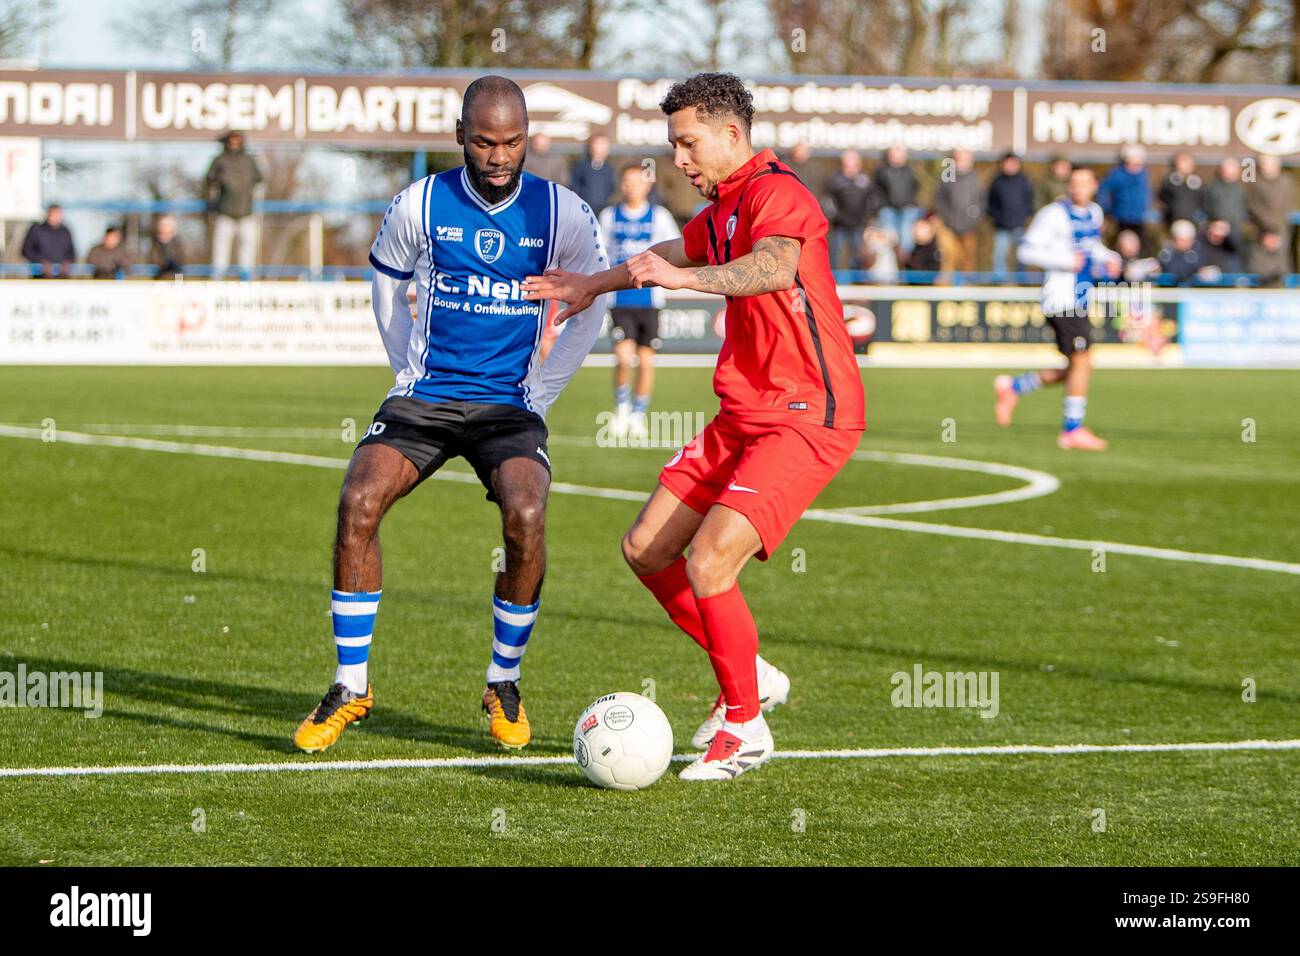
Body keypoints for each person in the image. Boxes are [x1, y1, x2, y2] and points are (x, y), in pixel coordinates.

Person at [523, 72, 865, 781]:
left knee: (710, 560)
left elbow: (773, 267)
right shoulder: (728, 204)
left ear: (731, 134)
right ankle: (752, 672)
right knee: (646, 547)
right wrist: (594, 285)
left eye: (687, 144)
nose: (678, 160)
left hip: (807, 415)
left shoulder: (780, 196)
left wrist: (683, 282)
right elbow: (677, 253)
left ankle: (745, 725)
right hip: (743, 414)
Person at [293, 75, 610, 755]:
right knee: (358, 500)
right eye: (487, 142)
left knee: (526, 514)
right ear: (460, 136)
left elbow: (591, 308)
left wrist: (543, 390)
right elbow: (386, 284)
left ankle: (503, 681)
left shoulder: (562, 213)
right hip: (427, 397)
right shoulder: (420, 203)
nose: (501, 156)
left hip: (509, 407)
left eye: (515, 142)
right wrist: (406, 369)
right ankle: (351, 686)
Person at [994, 166, 1119, 451]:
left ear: (1094, 185)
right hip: (1061, 299)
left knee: (1079, 365)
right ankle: (1071, 430)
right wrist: (1064, 260)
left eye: (1085, 182)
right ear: (1068, 186)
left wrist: (1110, 257)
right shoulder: (1052, 214)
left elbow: (1092, 247)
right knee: (1082, 362)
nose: (1079, 188)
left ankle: (1014, 388)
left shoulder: (1095, 213)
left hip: (1082, 298)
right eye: (1074, 183)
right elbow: (1026, 250)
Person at [599, 162, 681, 440]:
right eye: (627, 181)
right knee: (623, 358)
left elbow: (675, 250)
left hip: (650, 302)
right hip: (620, 300)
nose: (631, 185)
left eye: (637, 181)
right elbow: (600, 253)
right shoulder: (610, 216)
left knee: (646, 363)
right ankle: (621, 411)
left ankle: (638, 415)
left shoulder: (659, 217)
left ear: (647, 185)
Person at [206, 131, 263, 278]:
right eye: (232, 140)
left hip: (246, 213)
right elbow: (209, 179)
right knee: (220, 251)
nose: (235, 143)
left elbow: (259, 179)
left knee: (247, 252)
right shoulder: (220, 160)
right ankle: (217, 280)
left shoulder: (249, 160)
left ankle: (246, 281)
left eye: (238, 140)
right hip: (224, 212)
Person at [823, 149, 877, 273]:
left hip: (859, 224)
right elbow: (827, 201)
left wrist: (867, 217)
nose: (851, 167)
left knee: (857, 255)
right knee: (836, 253)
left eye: (854, 164)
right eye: (847, 164)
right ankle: (834, 279)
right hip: (839, 224)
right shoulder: (834, 181)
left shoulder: (865, 181)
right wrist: (835, 216)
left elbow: (872, 200)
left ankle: (857, 280)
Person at [986, 151, 1034, 283]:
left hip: (1020, 225)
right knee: (999, 255)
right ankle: (999, 281)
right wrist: (996, 218)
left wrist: (1025, 217)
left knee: (1023, 255)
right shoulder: (997, 182)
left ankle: (1022, 281)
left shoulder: (1024, 181)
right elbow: (991, 204)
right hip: (1001, 226)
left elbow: (1029, 201)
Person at [934, 148, 981, 273]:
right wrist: (946, 217)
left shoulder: (975, 177)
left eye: (967, 159)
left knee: (968, 258)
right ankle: (946, 288)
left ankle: (967, 286)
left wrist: (975, 217)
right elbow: (940, 199)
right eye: (960, 159)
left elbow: (980, 200)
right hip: (949, 225)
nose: (964, 162)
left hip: (969, 225)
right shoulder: (948, 175)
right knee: (948, 256)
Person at [1097, 145, 1151, 252]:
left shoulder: (1144, 174)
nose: (1135, 166)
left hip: (1139, 218)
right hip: (1121, 218)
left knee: (1140, 247)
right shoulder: (1117, 174)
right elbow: (1103, 191)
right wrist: (1108, 209)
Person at [875, 145, 921, 256]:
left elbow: (915, 189)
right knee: (889, 241)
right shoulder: (882, 171)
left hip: (907, 211)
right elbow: (877, 191)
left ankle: (904, 266)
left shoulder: (910, 171)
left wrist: (911, 205)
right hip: (888, 211)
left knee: (906, 242)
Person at [1245, 154, 1294, 256]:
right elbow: (1252, 204)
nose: (1265, 168)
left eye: (1267, 165)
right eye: (1263, 165)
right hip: (1261, 227)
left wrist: (1278, 222)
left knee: (1281, 257)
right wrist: (1265, 223)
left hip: (1281, 226)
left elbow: (1289, 203)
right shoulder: (1255, 182)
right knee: (1260, 258)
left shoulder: (1287, 181)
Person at [21, 204, 75, 278]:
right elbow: (26, 250)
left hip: (62, 277)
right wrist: (41, 262)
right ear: (47, 214)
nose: (55, 216)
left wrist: (67, 262)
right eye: (52, 214)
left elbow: (72, 252)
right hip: (40, 277)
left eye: (57, 214)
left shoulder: (65, 231)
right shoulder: (36, 229)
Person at [1202, 157, 1247, 246]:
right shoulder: (1213, 187)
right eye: (1227, 170)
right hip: (1216, 227)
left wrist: (1234, 223)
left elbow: (1245, 208)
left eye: (1233, 171)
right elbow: (1207, 205)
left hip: (1235, 228)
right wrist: (1216, 222)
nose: (1230, 173)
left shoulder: (1242, 188)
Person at [569, 132, 615, 212]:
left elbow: (612, 188)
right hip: (583, 210)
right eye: (598, 143)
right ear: (591, 146)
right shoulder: (581, 166)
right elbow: (573, 186)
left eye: (603, 144)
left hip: (604, 211)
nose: (600, 147)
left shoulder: (610, 168)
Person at [1157, 153, 1204, 229]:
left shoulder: (1198, 182)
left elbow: (1201, 200)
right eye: (1182, 162)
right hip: (1171, 222)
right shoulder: (1168, 181)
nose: (1185, 166)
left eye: (1188, 163)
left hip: (1192, 222)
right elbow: (1162, 199)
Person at [1156, 219, 1203, 286]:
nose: (1185, 243)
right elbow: (1172, 272)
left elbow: (1199, 269)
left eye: (1188, 240)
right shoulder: (1166, 253)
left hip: (1191, 291)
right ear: (1174, 239)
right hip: (1169, 291)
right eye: (1181, 240)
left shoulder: (1196, 253)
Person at [149, 215, 185, 279]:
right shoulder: (154, 243)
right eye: (163, 225)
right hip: (159, 279)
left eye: (167, 225)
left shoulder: (177, 244)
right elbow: (153, 260)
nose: (164, 227)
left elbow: (181, 262)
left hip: (174, 279)